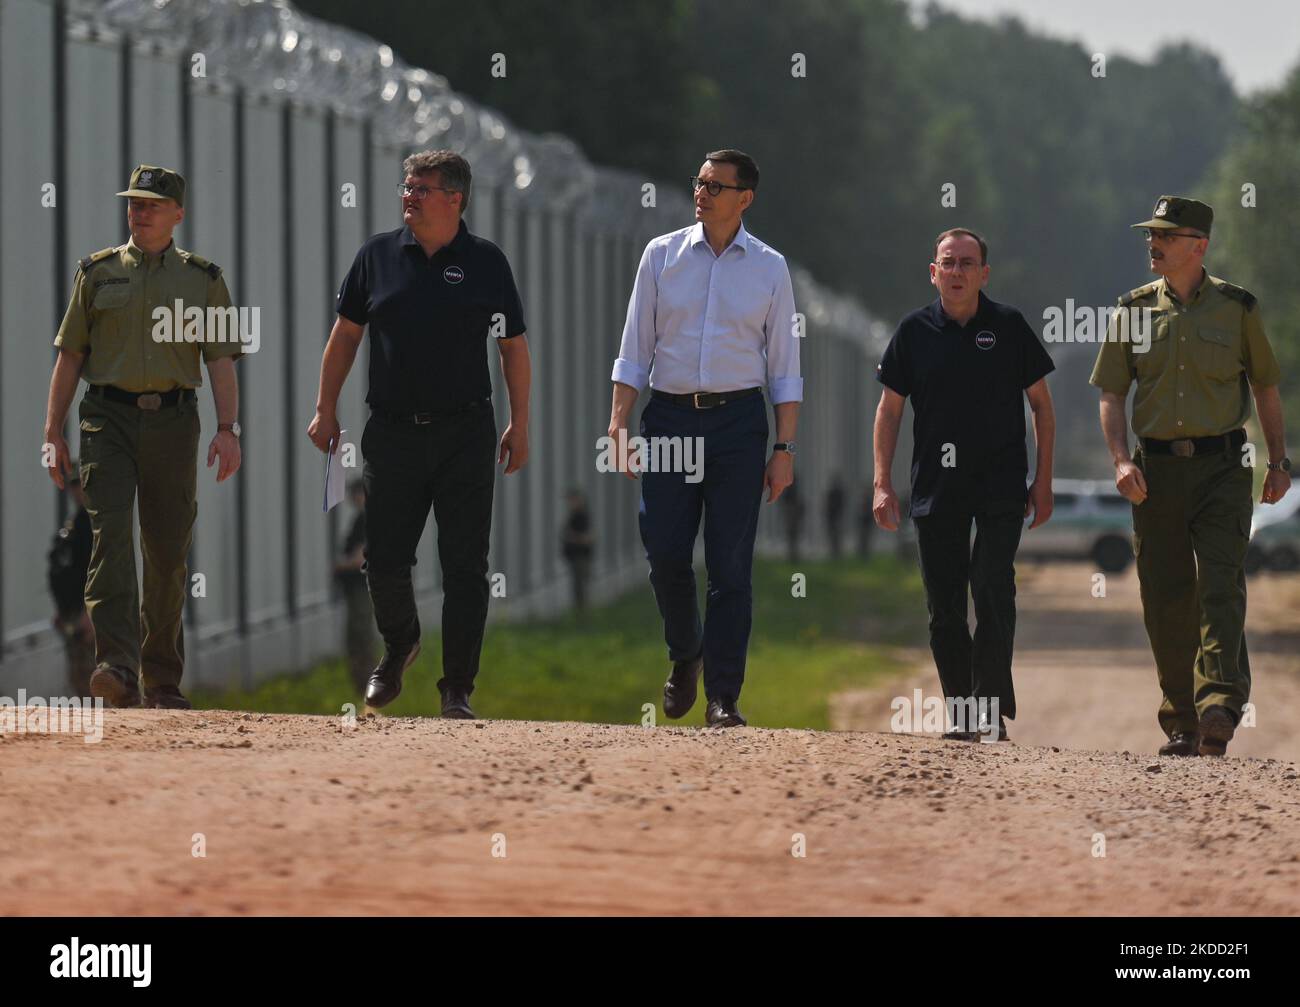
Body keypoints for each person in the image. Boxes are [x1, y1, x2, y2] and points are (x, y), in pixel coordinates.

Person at [309, 150, 530, 720]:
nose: (409, 196)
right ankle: (401, 642)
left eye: (422, 189)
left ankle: (457, 687)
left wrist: (520, 423)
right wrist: (324, 409)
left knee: (464, 565)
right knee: (383, 557)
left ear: (455, 199)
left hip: (466, 431)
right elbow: (345, 337)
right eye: (407, 188)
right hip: (392, 432)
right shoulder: (377, 257)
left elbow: (512, 349)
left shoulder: (486, 264)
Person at [1090, 195, 1289, 758]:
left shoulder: (1238, 308)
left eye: (1166, 235)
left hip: (1225, 468)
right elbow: (1112, 393)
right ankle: (1182, 720)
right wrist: (1120, 460)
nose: (1152, 243)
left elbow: (1264, 388)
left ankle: (1220, 704)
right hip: (1155, 471)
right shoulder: (1130, 310)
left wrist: (1278, 462)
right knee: (1166, 595)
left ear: (1198, 245)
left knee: (1221, 584)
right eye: (1151, 234)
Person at [609, 148, 801, 729]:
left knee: (729, 564)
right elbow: (635, 348)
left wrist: (784, 449)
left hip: (738, 424)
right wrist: (618, 423)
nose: (702, 193)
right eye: (699, 182)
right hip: (668, 418)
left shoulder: (771, 268)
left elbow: (786, 367)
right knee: (665, 550)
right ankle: (684, 650)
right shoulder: (661, 255)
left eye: (716, 186)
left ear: (745, 198)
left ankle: (723, 696)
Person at [43, 164, 243, 710]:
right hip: (107, 419)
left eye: (152, 203)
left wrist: (228, 430)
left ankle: (162, 678)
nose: (140, 210)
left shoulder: (203, 280)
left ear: (178, 213)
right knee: (108, 537)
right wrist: (53, 431)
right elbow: (71, 355)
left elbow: (222, 359)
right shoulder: (97, 273)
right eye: (134, 202)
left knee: (166, 549)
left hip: (175, 422)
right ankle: (116, 666)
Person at [873, 228, 1055, 742]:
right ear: (933, 272)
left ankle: (989, 707)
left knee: (992, 588)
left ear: (983, 274)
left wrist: (1042, 483)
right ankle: (964, 712)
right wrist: (881, 483)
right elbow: (889, 411)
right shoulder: (912, 333)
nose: (956, 272)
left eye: (967, 263)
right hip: (936, 488)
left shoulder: (1010, 327)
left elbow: (1042, 406)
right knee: (945, 609)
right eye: (947, 263)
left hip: (1000, 486)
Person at [48, 467, 95, 698]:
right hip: (70, 612)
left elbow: (96, 570)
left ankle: (107, 727)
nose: (77, 491)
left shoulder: (94, 525)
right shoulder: (75, 522)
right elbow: (63, 570)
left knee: (91, 677)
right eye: (74, 485)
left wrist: (90, 613)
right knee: (77, 676)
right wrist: (60, 609)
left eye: (81, 485)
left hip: (87, 615)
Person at [335, 478, 376, 693]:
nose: (353, 499)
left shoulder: (367, 520)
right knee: (356, 638)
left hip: (362, 588)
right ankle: (364, 687)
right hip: (356, 589)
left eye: (356, 494)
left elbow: (361, 557)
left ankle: (368, 686)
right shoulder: (361, 519)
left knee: (361, 636)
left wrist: (340, 566)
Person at [560, 488, 595, 613]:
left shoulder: (582, 516)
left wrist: (571, 537)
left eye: (573, 500)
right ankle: (580, 613)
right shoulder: (574, 515)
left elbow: (589, 538)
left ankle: (583, 613)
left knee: (581, 588)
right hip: (575, 557)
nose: (570, 503)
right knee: (577, 588)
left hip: (581, 558)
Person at [825, 475, 846, 559]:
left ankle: (836, 552)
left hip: (836, 517)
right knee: (834, 535)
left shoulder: (837, 493)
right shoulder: (834, 493)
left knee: (836, 535)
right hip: (833, 517)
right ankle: (834, 552)